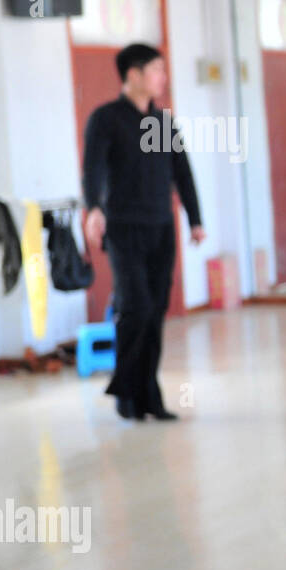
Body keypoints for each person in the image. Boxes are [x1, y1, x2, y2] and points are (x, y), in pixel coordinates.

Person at [82, 42, 205, 421]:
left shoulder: (163, 123)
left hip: (161, 229)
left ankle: (147, 394)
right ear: (133, 74)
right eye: (156, 70)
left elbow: (182, 173)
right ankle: (128, 390)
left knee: (155, 311)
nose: (162, 78)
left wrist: (195, 219)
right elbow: (94, 169)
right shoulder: (105, 119)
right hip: (124, 229)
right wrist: (94, 208)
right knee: (134, 307)